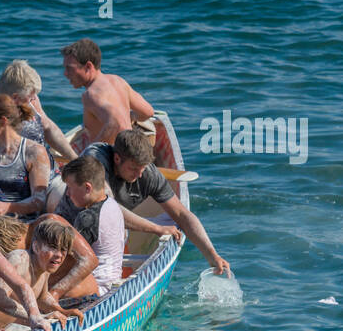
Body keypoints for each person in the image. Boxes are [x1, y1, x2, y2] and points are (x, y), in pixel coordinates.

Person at [64, 129, 229, 276]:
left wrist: (212, 256)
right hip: (71, 220)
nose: (140, 175)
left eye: (143, 168)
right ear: (117, 158)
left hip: (104, 228)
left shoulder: (147, 173)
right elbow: (108, 209)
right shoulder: (96, 159)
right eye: (134, 168)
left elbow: (181, 214)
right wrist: (157, 229)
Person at [0, 59, 77, 196]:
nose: (33, 99)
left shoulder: (32, 102)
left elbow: (48, 127)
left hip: (48, 179)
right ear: (15, 98)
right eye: (30, 96)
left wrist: (75, 159)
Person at [0, 214, 99, 312]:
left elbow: (90, 260)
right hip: (49, 305)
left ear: (15, 238)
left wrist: (55, 294)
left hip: (82, 300)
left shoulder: (50, 224)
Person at [0, 94, 58, 220]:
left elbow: (39, 201)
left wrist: (9, 207)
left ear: (3, 121)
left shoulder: (35, 152)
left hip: (20, 225)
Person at [60, 38, 154, 149]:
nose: (65, 74)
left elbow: (117, 123)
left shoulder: (91, 94)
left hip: (114, 157)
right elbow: (148, 112)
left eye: (69, 68)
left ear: (88, 66)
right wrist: (129, 116)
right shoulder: (118, 80)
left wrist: (91, 151)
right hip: (129, 151)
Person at [57, 155, 125, 294]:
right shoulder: (112, 204)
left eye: (70, 187)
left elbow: (68, 261)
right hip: (112, 282)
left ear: (87, 188)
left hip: (96, 289)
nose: (68, 194)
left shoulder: (87, 218)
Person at [19, 216, 104, 315]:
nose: (59, 255)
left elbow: (91, 260)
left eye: (63, 249)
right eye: (53, 248)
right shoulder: (26, 257)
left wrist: (56, 293)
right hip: (54, 306)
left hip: (84, 301)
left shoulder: (51, 222)